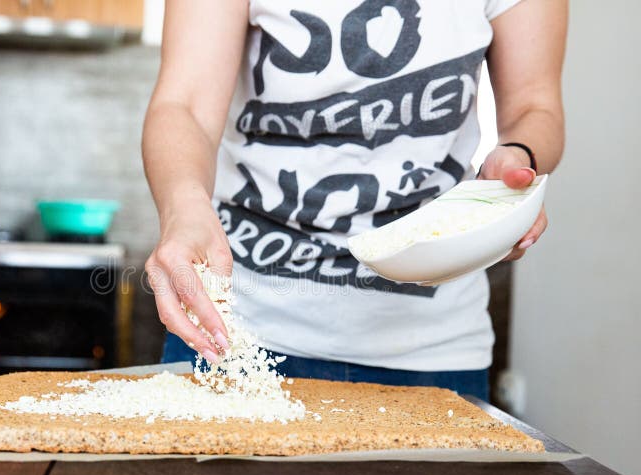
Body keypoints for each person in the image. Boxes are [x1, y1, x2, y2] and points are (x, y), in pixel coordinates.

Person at [142, 0, 566, 399]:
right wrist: (184, 208)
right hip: (235, 331)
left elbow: (535, 106)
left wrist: (518, 161)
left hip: (433, 349)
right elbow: (185, 105)